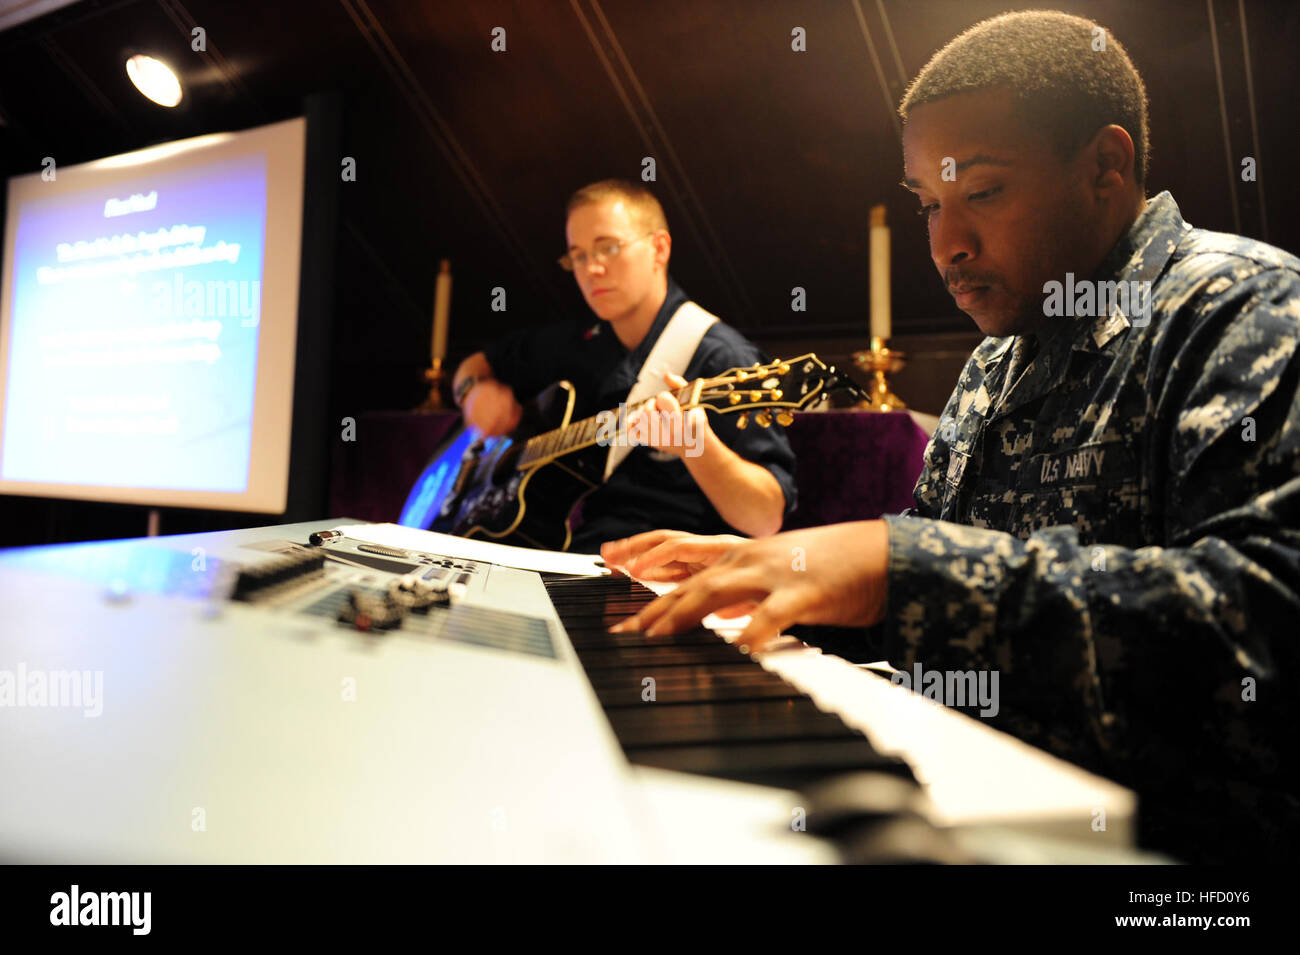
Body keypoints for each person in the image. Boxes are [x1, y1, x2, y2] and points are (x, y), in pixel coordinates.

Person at [601, 11, 1299, 863]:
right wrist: (783, 574)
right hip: (975, 810)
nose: (946, 245)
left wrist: (900, 568)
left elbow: (1264, 621)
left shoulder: (1241, 308)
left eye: (984, 193)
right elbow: (922, 609)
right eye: (929, 204)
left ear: (1105, 167)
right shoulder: (994, 363)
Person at [451, 179, 796, 553]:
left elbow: (766, 517)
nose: (591, 269)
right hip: (563, 558)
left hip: (665, 579)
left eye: (608, 248)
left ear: (659, 248)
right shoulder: (573, 341)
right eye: (578, 256)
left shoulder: (724, 358)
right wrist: (472, 393)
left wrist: (695, 446)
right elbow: (474, 365)